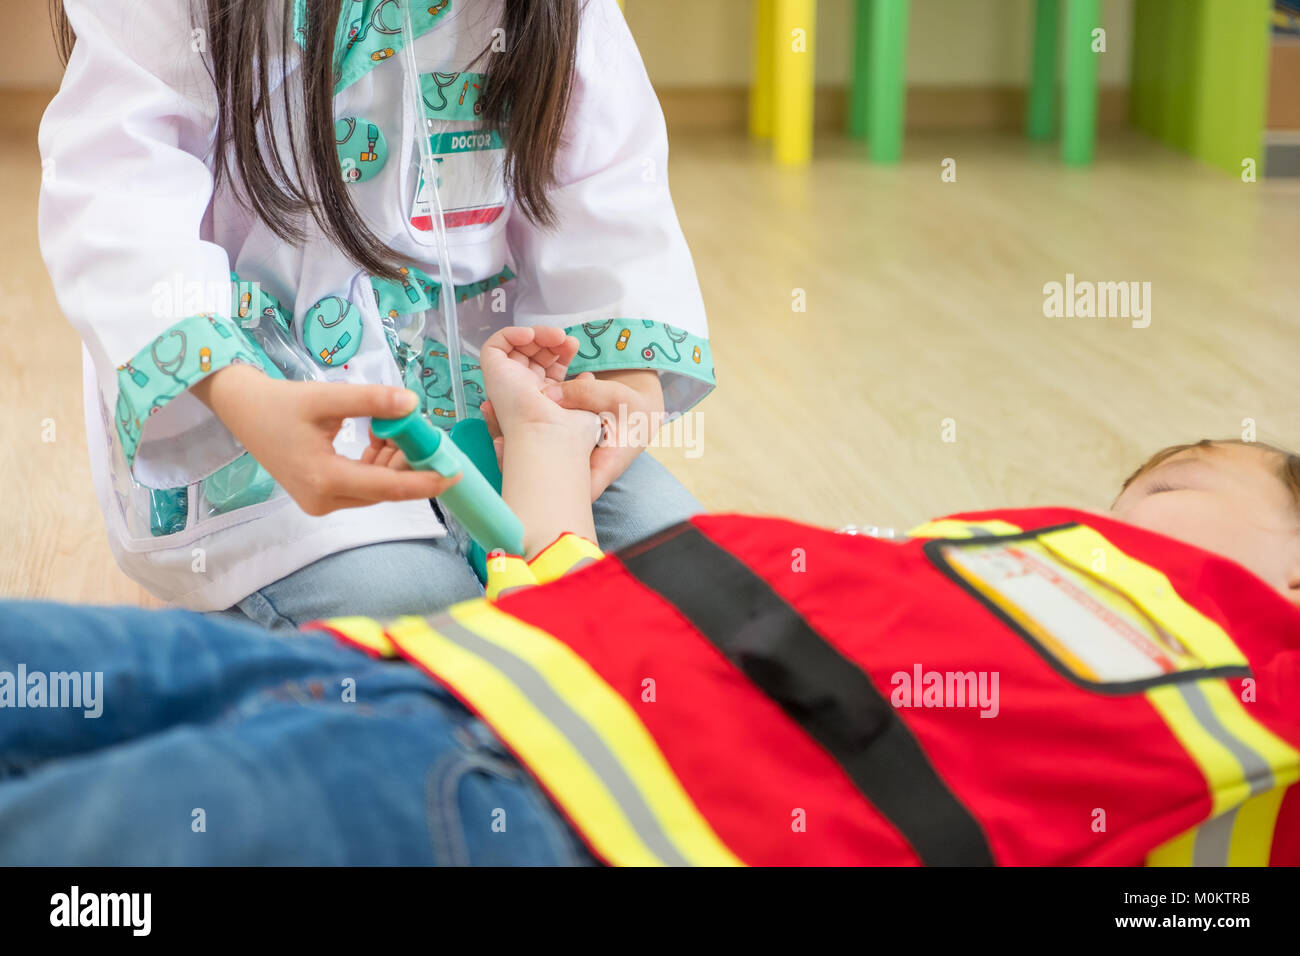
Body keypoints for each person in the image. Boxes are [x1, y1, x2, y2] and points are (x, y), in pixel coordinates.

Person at [2, 324, 1298, 864]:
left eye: (1178, 484)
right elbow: (582, 587)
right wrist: (534, 440)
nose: (1129, 508)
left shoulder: (1260, 696)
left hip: (553, 812)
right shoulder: (971, 563)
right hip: (455, 675)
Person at [37, 0, 713, 624]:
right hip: (267, 415)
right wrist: (241, 397)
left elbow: (608, 177)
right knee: (422, 631)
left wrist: (621, 383)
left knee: (695, 598)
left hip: (510, 402)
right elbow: (120, 190)